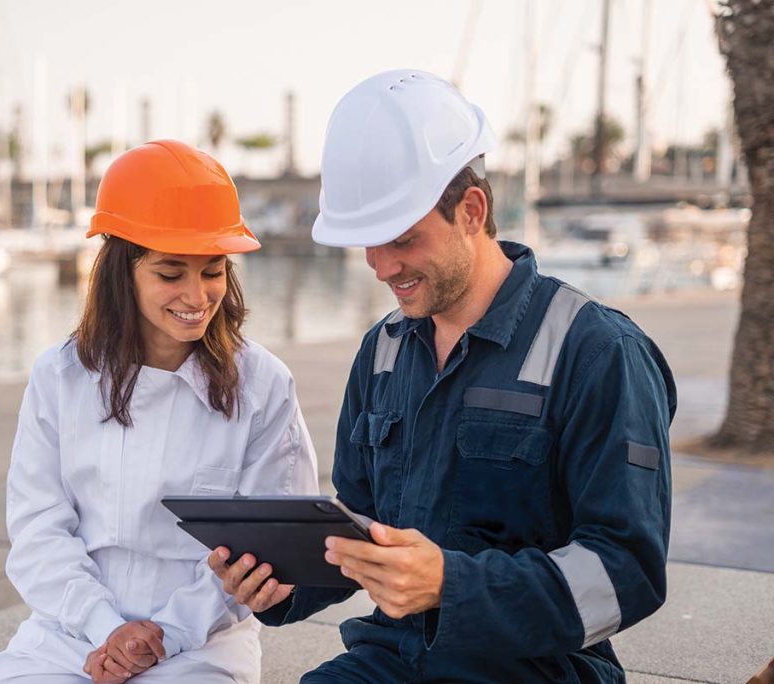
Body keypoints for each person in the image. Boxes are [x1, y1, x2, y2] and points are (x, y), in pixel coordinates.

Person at [209, 70, 677, 683]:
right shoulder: (382, 350)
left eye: (401, 240)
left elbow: (628, 573)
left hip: (541, 669)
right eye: (368, 246)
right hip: (393, 659)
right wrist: (285, 583)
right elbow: (361, 530)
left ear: (472, 211)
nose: (381, 268)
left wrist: (450, 586)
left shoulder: (598, 352)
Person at [0, 140, 319, 684]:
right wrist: (104, 628)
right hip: (69, 634)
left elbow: (267, 546)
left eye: (213, 271)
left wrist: (165, 635)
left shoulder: (264, 385)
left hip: (201, 642)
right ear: (123, 270)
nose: (198, 294)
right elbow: (38, 529)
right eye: (170, 273)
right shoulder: (60, 376)